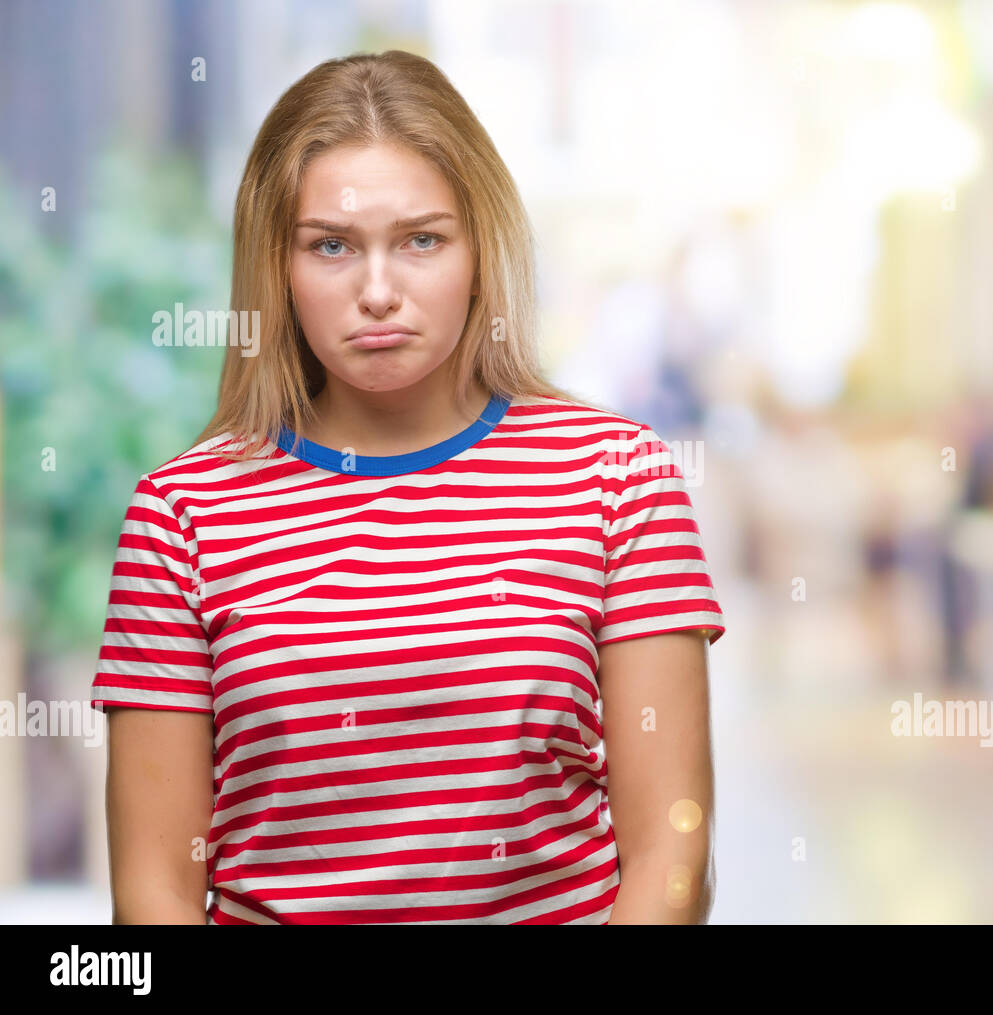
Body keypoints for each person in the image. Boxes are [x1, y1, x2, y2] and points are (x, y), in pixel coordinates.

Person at [91, 51, 725, 925]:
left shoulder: (618, 478)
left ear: (479, 249)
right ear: (276, 267)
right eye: (332, 246)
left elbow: (672, 848)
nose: (378, 291)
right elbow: (153, 890)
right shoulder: (182, 515)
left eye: (421, 239)